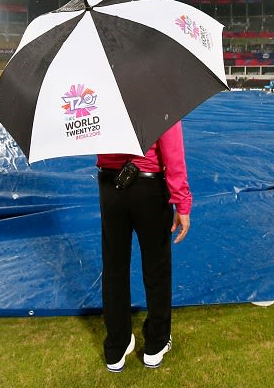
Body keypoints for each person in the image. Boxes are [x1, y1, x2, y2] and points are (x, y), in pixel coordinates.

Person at [96, 120, 191, 373]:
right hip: (150, 187)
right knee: (157, 267)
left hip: (110, 185)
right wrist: (182, 202)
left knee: (114, 267)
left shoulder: (101, 93)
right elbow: (172, 150)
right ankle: (156, 344)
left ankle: (116, 347)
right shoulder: (158, 90)